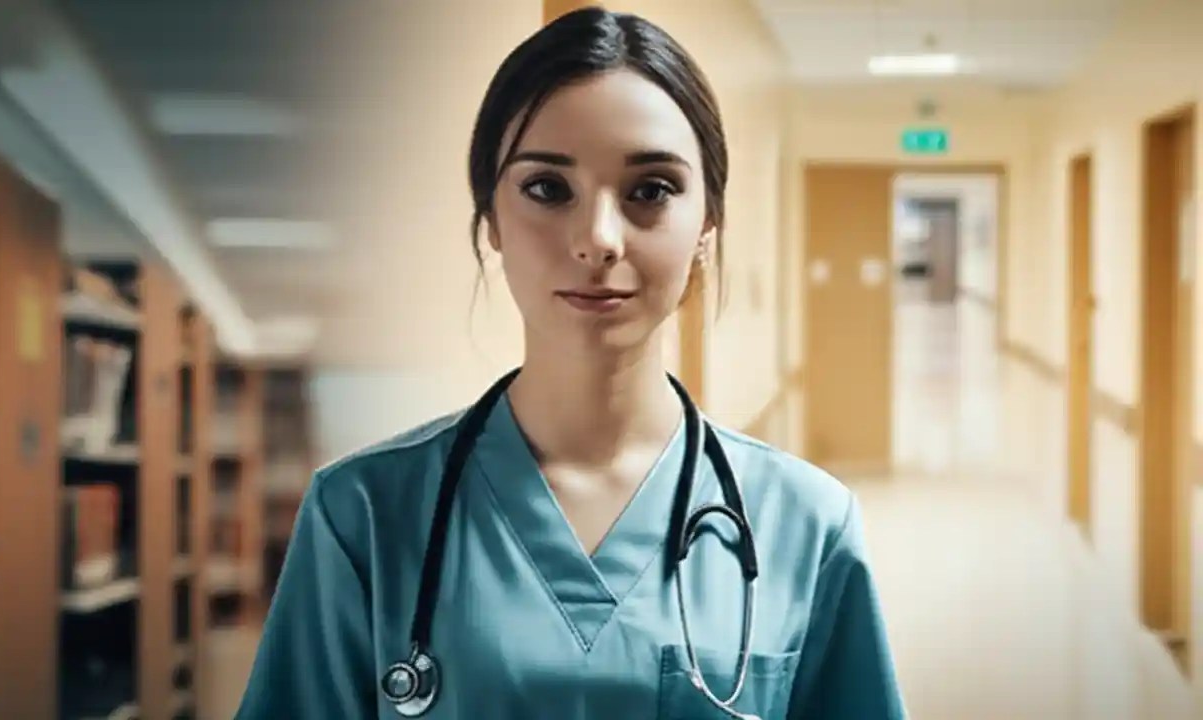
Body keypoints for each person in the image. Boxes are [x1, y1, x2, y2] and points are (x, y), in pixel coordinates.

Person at [235, 7, 905, 719]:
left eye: (651, 190)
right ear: (490, 219)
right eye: (548, 190)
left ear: (707, 223)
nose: (598, 239)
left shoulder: (805, 524)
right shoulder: (363, 516)